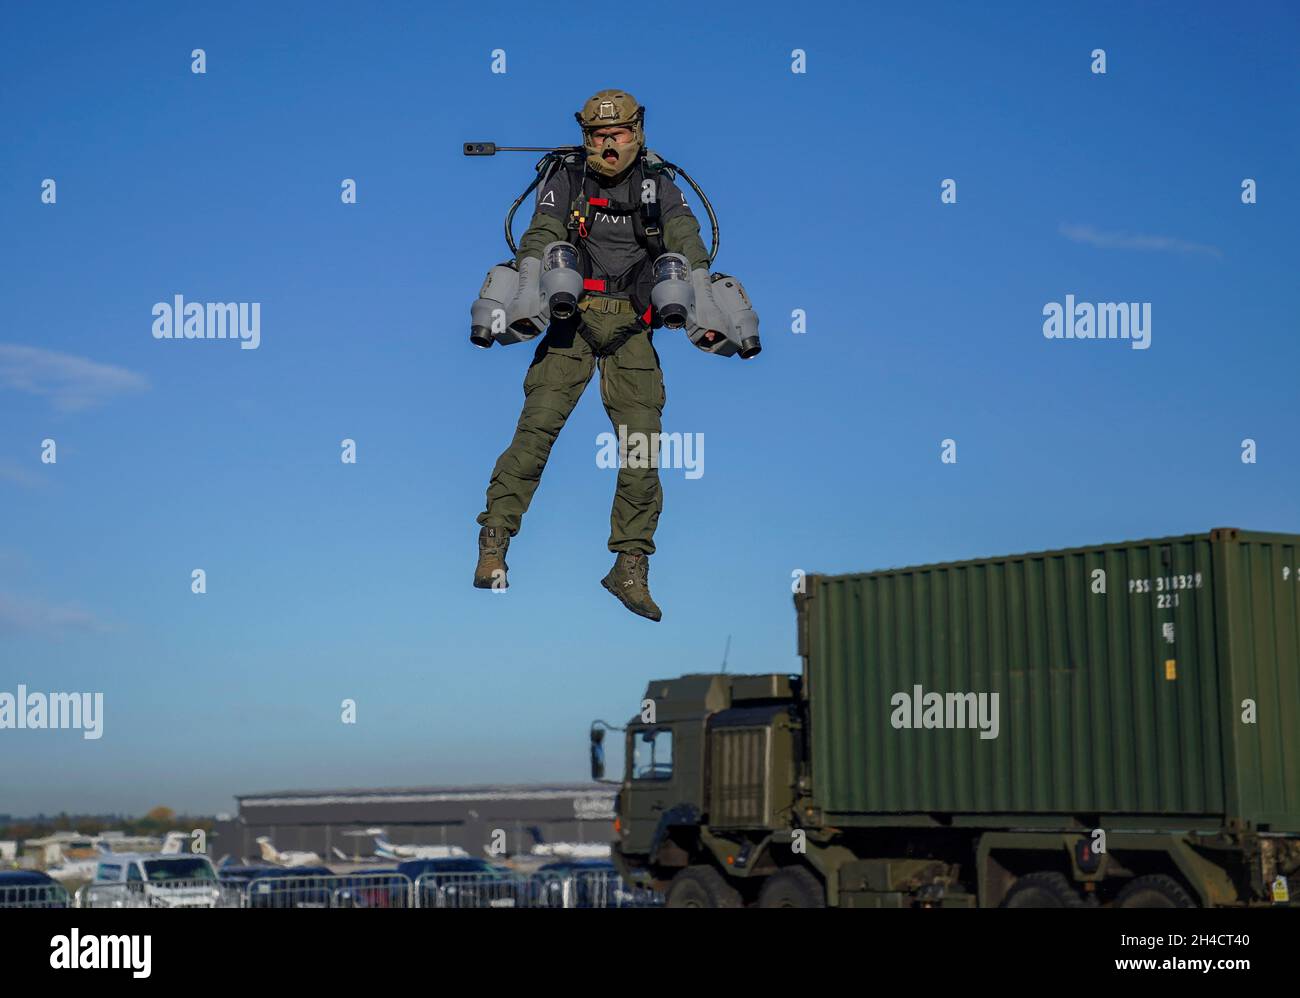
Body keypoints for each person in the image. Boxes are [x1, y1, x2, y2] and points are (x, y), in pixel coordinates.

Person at [473, 89, 717, 622]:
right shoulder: (566, 179)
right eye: (598, 136)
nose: (609, 145)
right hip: (571, 321)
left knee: (641, 449)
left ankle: (630, 565)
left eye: (619, 134)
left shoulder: (658, 186)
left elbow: (685, 233)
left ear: (637, 134)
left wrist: (700, 282)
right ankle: (494, 543)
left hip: (632, 327)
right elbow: (540, 232)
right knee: (535, 433)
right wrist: (528, 276)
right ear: (585, 138)